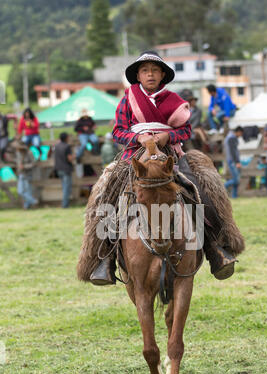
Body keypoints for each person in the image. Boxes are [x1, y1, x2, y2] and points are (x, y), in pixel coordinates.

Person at [79, 51, 244, 285]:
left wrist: (168, 136)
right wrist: (138, 139)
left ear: (162, 74)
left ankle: (214, 248)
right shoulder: (128, 99)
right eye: (145, 70)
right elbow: (118, 131)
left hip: (171, 155)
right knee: (107, 195)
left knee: (200, 190)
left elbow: (185, 130)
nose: (150, 74)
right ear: (138, 74)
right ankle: (104, 258)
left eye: (155, 70)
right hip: (134, 155)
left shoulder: (174, 100)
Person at [54, 132, 75, 208]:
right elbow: (69, 158)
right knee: (67, 188)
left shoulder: (56, 146)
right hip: (66, 169)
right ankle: (65, 205)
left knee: (64, 187)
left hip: (58, 169)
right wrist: (74, 157)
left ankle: (64, 204)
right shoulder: (67, 146)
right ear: (66, 138)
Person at [16, 142, 38, 209]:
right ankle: (33, 201)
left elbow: (34, 164)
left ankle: (27, 206)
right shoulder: (18, 153)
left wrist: (25, 166)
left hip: (28, 174)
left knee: (28, 190)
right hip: (21, 174)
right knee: (20, 191)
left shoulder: (29, 153)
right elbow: (18, 163)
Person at [224, 126, 244, 198]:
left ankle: (234, 196)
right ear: (239, 132)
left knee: (236, 179)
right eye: (241, 133)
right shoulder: (232, 138)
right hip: (233, 161)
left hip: (231, 160)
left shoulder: (229, 137)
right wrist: (237, 162)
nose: (241, 135)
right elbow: (233, 152)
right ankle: (222, 187)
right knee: (236, 180)